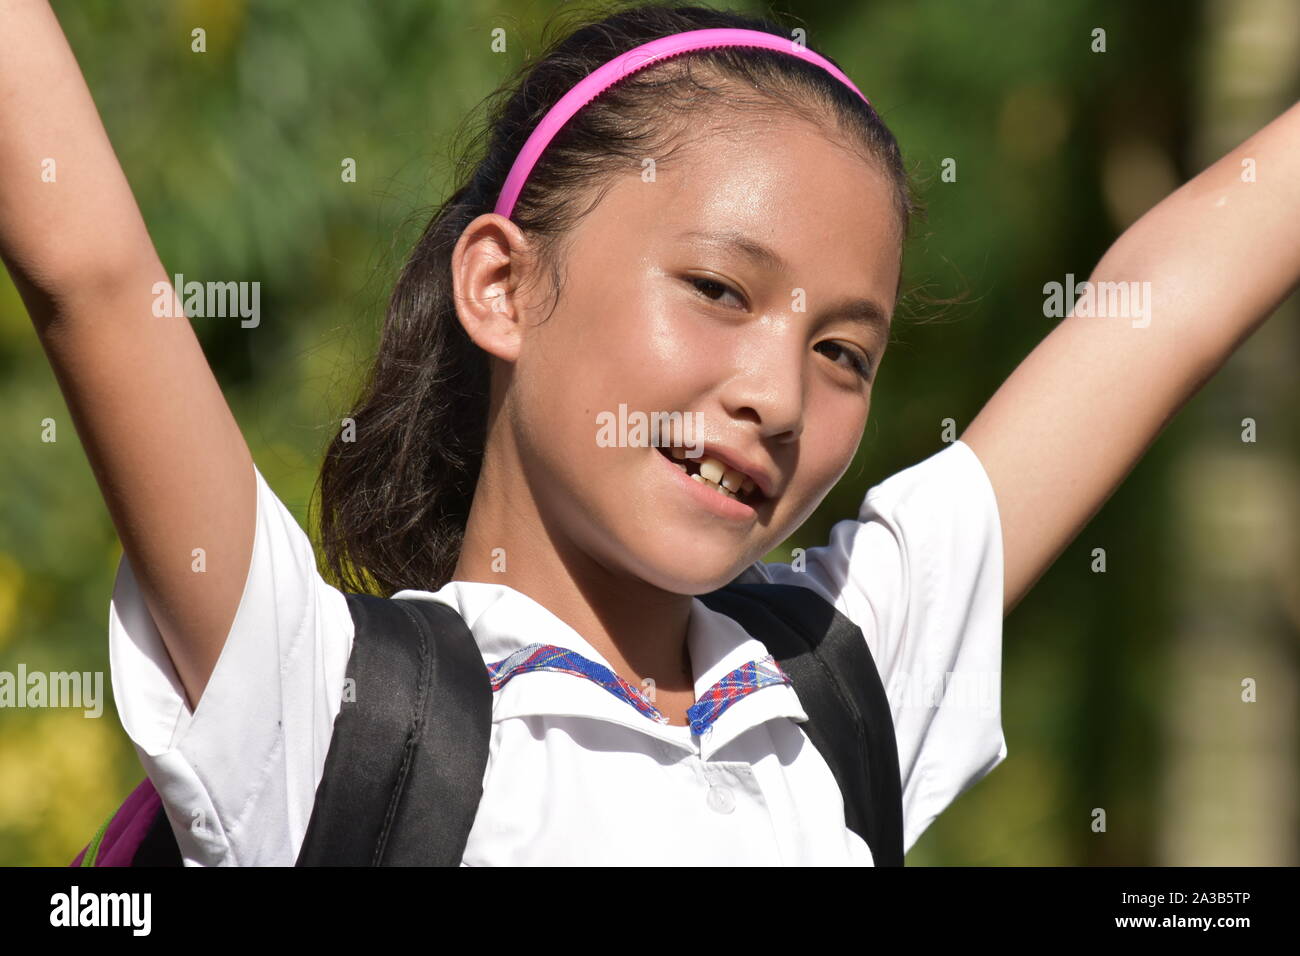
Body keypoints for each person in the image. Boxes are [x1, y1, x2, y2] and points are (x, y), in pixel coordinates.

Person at [4, 0, 1296, 865]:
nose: (778, 397)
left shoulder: (842, 690)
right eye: (719, 291)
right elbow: (92, 269)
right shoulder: (313, 707)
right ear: (501, 286)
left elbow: (1166, 307)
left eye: (843, 351)